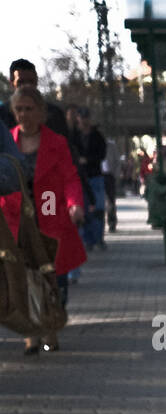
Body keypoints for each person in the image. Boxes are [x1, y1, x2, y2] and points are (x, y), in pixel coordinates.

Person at [2, 86, 85, 354]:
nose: (23, 114)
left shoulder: (56, 142)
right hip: (17, 213)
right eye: (19, 109)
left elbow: (70, 177)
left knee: (52, 273)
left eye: (28, 109)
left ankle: (51, 322)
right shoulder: (8, 141)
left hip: (48, 207)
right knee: (22, 273)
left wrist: (74, 205)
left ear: (41, 112)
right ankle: (32, 334)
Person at [0, 59, 71, 139]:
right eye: (21, 82)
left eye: (31, 81)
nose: (27, 86)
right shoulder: (2, 116)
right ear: (11, 84)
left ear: (36, 82)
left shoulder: (54, 114)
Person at [70, 106, 107, 251]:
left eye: (86, 117)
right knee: (83, 209)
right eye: (81, 117)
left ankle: (98, 238)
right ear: (78, 118)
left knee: (97, 209)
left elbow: (102, 154)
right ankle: (88, 240)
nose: (84, 120)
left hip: (95, 175)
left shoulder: (97, 136)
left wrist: (88, 160)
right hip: (80, 176)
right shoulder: (74, 136)